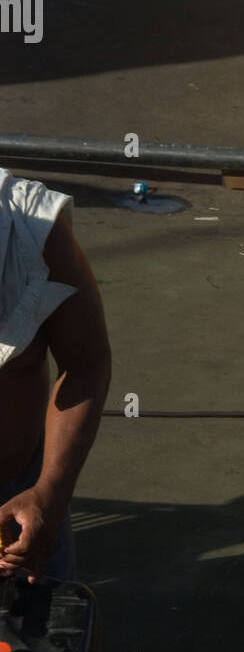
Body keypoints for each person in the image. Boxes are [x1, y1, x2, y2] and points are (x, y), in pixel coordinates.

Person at [0, 172, 111, 584]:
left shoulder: (30, 226)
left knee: (38, 638)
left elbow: (86, 362)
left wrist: (50, 492)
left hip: (17, 491)